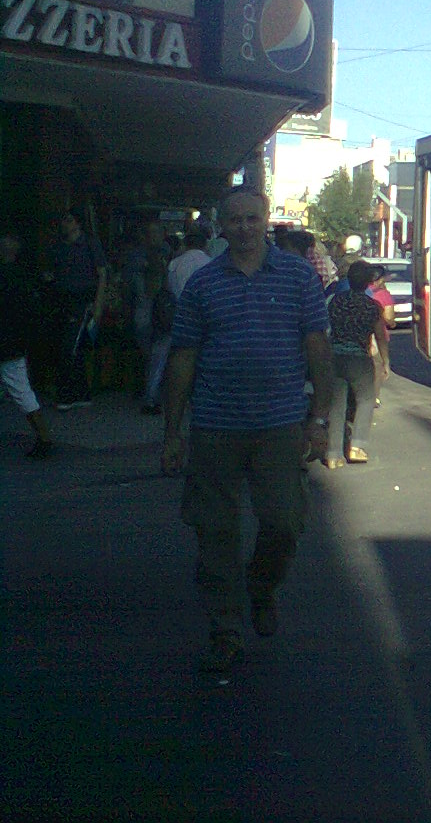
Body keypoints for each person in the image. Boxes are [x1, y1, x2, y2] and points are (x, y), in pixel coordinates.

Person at [161, 187, 334, 674]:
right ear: (221, 226)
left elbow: (319, 351)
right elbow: (183, 360)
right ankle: (225, 629)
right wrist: (173, 433)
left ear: (266, 220)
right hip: (216, 427)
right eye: (233, 220)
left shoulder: (299, 277)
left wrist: (319, 419)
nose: (243, 227)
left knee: (284, 523)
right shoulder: (202, 284)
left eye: (251, 218)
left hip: (280, 427)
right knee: (214, 532)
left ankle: (260, 587)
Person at [325, 260, 388, 469]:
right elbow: (380, 336)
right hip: (360, 358)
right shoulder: (372, 307)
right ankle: (357, 446)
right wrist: (385, 362)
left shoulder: (335, 301)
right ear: (369, 282)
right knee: (366, 400)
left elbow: (324, 328)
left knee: (336, 406)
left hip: (334, 357)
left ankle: (333, 454)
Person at [42, 210, 105, 410]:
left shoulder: (89, 243)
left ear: (78, 223)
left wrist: (98, 304)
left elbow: (102, 273)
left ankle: (65, 395)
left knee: (70, 346)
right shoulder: (59, 247)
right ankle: (81, 393)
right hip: (62, 300)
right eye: (63, 220)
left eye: (69, 220)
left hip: (82, 300)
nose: (65, 224)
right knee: (69, 346)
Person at [1, 233, 52, 457]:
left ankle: (45, 438)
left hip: (7, 343)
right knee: (22, 391)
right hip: (13, 344)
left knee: (21, 391)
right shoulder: (23, 277)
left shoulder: (7, 277)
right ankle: (44, 437)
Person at [122, 218, 172, 415]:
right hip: (158, 313)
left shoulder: (137, 257)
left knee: (152, 355)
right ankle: (151, 394)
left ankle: (150, 394)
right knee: (155, 356)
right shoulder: (166, 254)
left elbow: (128, 287)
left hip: (147, 313)